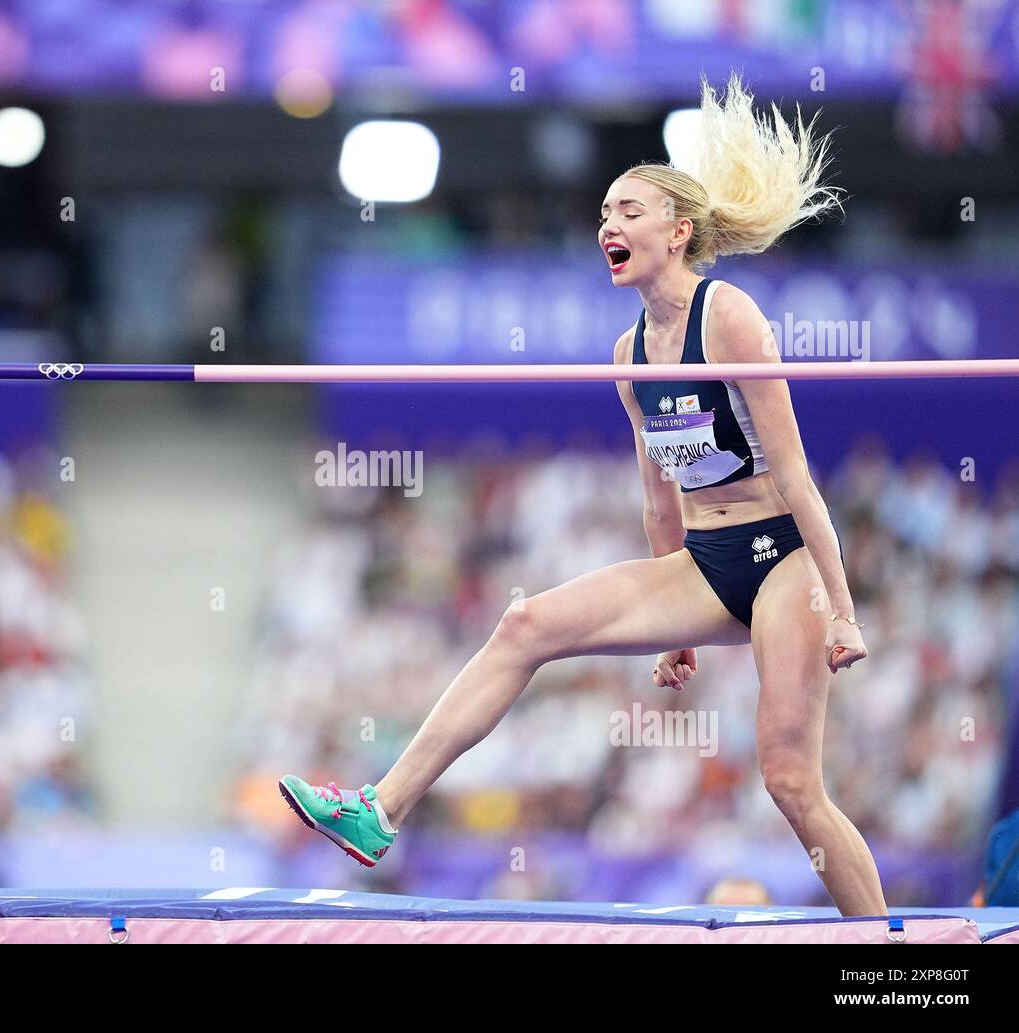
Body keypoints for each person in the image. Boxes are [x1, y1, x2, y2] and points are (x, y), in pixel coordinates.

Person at [280, 74, 887, 917]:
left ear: (678, 232)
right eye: (604, 212)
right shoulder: (628, 353)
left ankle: (894, 958)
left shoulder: (731, 315)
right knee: (524, 623)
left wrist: (845, 605)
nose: (608, 224)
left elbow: (795, 475)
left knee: (789, 780)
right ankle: (380, 811)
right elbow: (659, 499)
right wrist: (674, 619)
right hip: (704, 560)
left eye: (629, 211)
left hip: (785, 556)